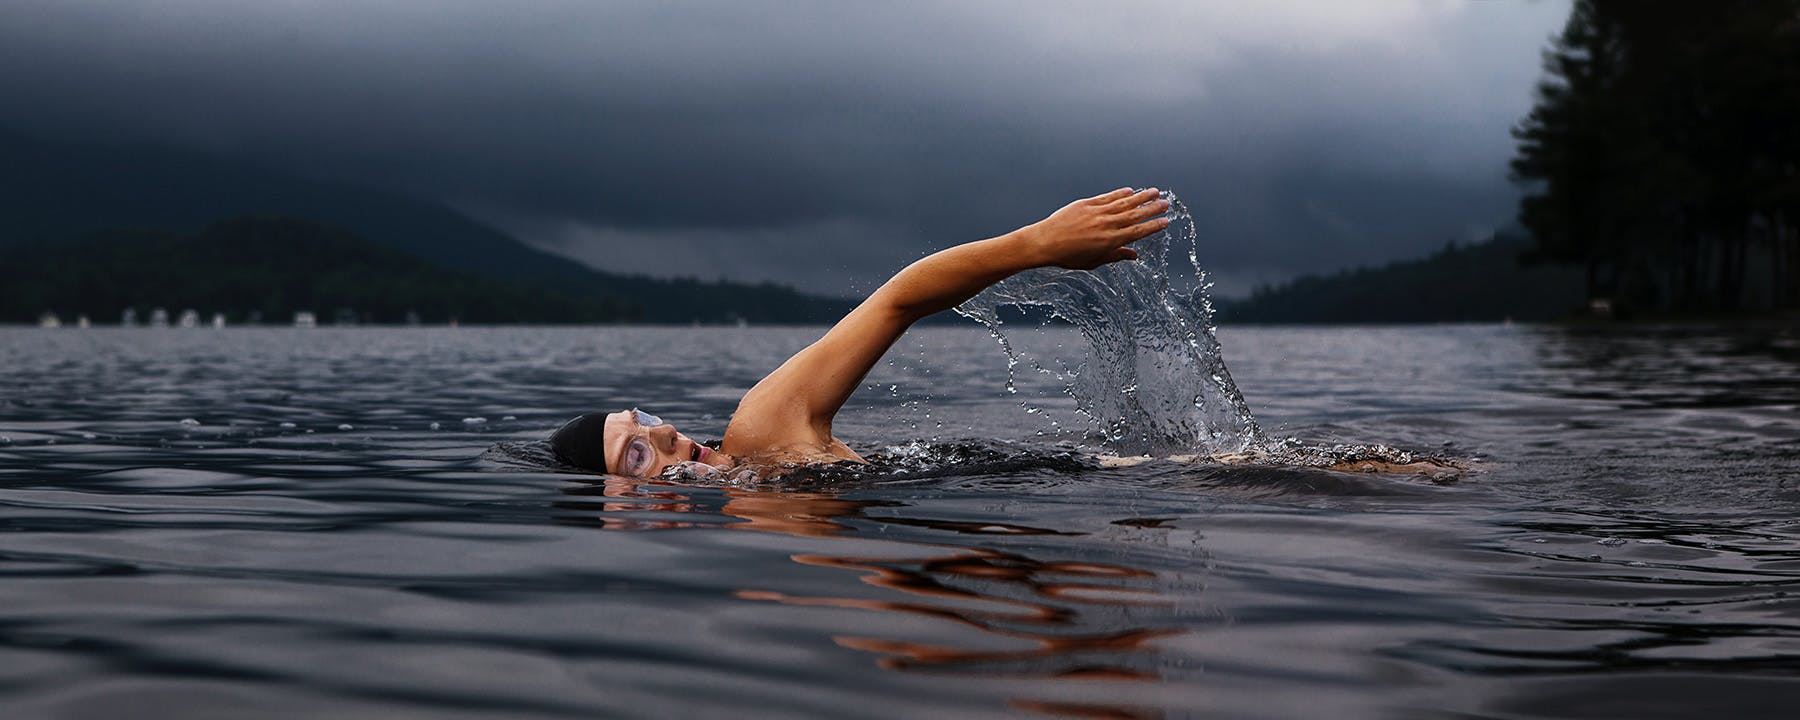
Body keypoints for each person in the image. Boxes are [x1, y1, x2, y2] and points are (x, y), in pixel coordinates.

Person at [549, 187, 1172, 478]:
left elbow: (896, 302)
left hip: (1135, 477)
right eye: (636, 452)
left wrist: (1035, 245)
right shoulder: (757, 547)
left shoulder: (762, 432)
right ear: (618, 510)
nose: (664, 432)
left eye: (644, 419)